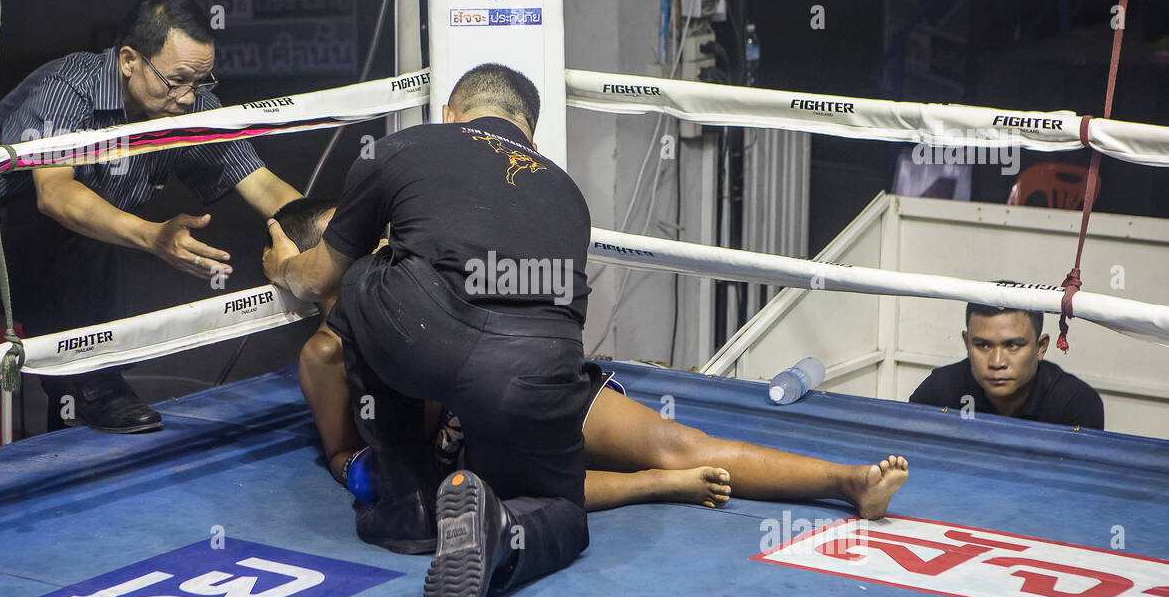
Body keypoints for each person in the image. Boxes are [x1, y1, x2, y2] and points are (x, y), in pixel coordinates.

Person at [272, 196, 911, 520]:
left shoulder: (413, 278)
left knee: (679, 442)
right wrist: (398, 460)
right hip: (464, 447)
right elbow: (341, 456)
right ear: (316, 267)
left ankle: (847, 481)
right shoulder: (326, 352)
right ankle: (653, 488)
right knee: (471, 489)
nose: (375, 244)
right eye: (350, 242)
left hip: (534, 390)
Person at [264, 63, 597, 597]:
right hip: (545, 365)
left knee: (367, 268)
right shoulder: (568, 190)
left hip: (433, 340)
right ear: (531, 137)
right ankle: (503, 525)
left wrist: (284, 265)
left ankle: (409, 503)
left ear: (449, 114)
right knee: (566, 511)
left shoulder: (402, 146)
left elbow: (320, 280)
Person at [0, 0, 301, 433]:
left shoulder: (188, 102)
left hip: (61, 269)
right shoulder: (71, 89)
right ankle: (98, 388)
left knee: (81, 257)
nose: (187, 98)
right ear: (129, 60)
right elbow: (55, 195)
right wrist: (151, 235)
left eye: (201, 83)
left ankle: (75, 412)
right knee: (82, 213)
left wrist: (334, 231)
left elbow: (259, 181)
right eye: (176, 80)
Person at [909, 297, 1104, 429]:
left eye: (1012, 345)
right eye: (983, 345)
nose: (997, 362)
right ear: (967, 343)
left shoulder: (1074, 404)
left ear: (1040, 347)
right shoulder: (939, 391)